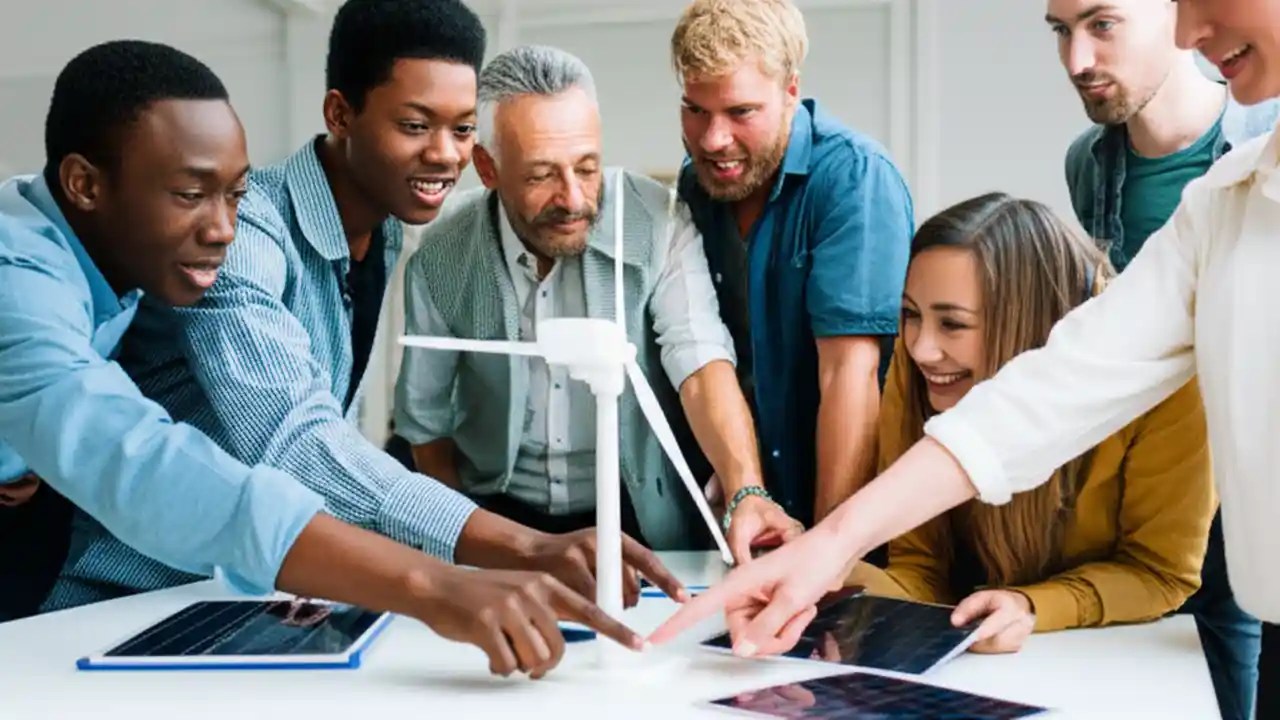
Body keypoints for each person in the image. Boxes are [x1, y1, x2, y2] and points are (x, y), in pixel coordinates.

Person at [649, 1, 1280, 694]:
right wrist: (828, 553)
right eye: (1061, 30)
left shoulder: (851, 177)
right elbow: (1057, 389)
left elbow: (1155, 559)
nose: (1187, 36)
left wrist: (834, 546)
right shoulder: (1215, 200)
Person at [0, 38, 648, 679]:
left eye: (234, 195)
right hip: (77, 593)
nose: (223, 228)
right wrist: (434, 582)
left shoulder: (124, 251)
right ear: (84, 184)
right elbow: (152, 458)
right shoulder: (20, 278)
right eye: (190, 193)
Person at [117, 0, 686, 612]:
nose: (445, 154)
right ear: (341, 114)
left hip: (251, 584)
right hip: (137, 586)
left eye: (462, 129)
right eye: (415, 126)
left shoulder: (384, 230)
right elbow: (296, 439)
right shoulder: (247, 232)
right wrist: (521, 545)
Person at [394, 45, 801, 563]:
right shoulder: (441, 251)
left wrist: (746, 492)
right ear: (488, 167)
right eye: (541, 175)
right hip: (496, 511)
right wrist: (464, 552)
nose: (572, 199)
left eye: (587, 168)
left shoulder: (658, 219)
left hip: (637, 511)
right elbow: (427, 422)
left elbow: (700, 360)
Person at [845, 193, 1215, 655]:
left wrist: (1031, 605)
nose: (921, 348)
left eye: (953, 324)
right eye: (911, 315)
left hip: (1126, 649)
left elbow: (1158, 573)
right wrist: (834, 576)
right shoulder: (921, 363)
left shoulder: (1167, 382)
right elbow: (920, 569)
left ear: (1030, 322)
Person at [1051, 1, 1276, 715]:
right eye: (1061, 31)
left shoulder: (1263, 139)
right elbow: (1105, 344)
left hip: (1244, 493)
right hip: (1150, 487)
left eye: (1102, 24)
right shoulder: (1088, 164)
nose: (1077, 60)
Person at [670, 0, 914, 530]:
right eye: (695, 109)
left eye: (740, 112)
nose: (713, 140)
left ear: (790, 91)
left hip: (845, 514)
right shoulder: (696, 183)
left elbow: (849, 373)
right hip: (741, 509)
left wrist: (826, 549)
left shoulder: (854, 178)